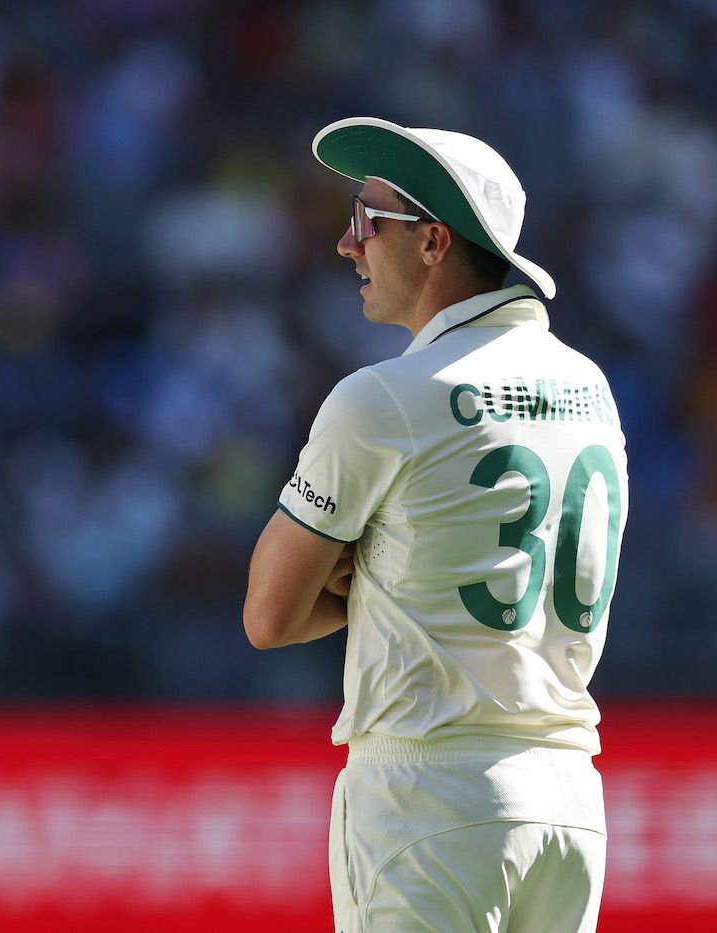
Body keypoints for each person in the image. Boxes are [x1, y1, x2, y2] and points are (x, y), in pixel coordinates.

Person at [242, 117, 628, 932]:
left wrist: (374, 575)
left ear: (433, 243)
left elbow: (269, 615)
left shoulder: (380, 397)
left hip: (428, 798)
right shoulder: (592, 387)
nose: (348, 244)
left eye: (366, 220)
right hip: (570, 800)